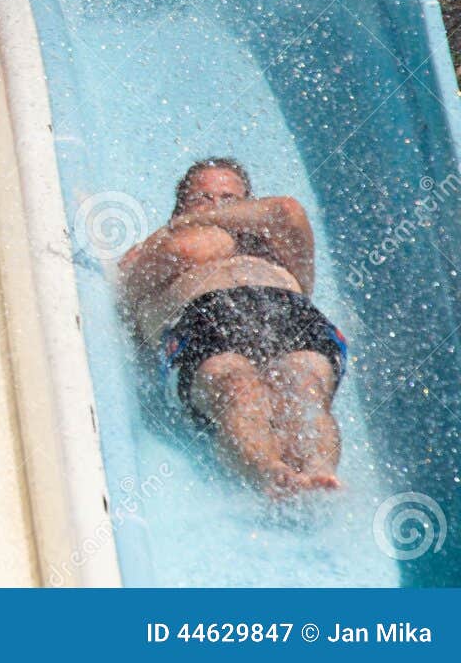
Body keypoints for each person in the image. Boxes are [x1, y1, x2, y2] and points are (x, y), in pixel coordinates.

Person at [119, 158, 348, 497]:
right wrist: (197, 229)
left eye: (229, 200)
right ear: (178, 211)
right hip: (201, 316)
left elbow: (287, 211)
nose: (215, 206)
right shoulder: (161, 247)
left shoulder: (277, 249)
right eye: (202, 198)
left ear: (249, 206)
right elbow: (181, 248)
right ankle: (271, 472)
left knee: (303, 383)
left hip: (286, 308)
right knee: (236, 386)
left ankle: (319, 469)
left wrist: (200, 218)